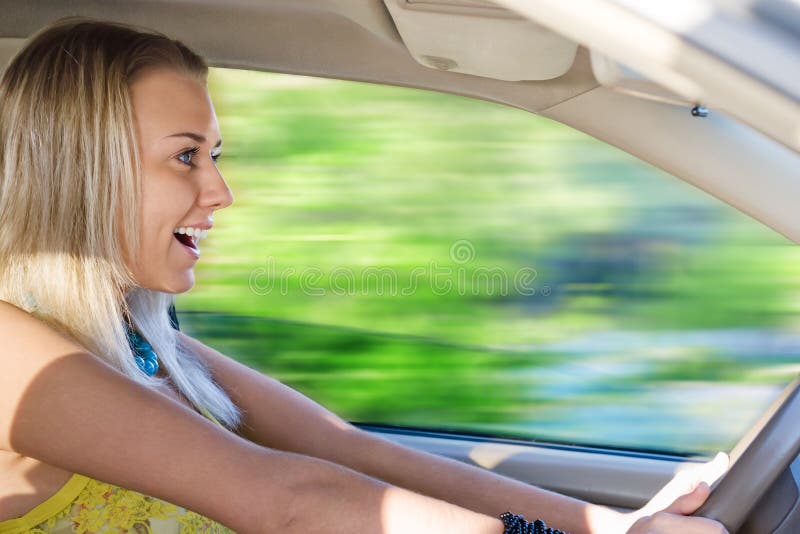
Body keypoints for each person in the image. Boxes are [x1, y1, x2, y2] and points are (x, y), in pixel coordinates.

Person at [0, 18, 730, 534]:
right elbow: (292, 499)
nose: (221, 191)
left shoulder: (136, 341)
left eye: (217, 155)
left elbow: (345, 451)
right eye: (186, 155)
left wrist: (615, 528)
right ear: (83, 168)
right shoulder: (11, 349)